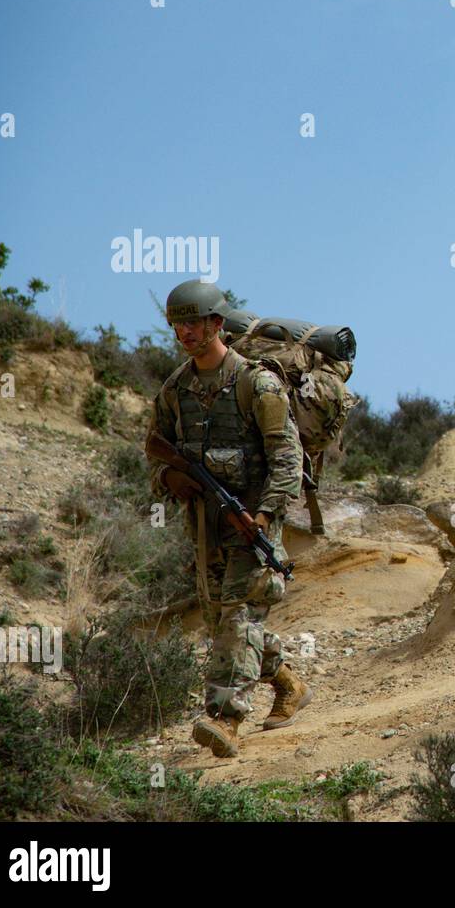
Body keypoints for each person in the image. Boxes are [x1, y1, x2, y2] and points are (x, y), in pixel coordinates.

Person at [146, 280, 310, 758]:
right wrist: (168, 479)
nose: (185, 332)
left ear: (217, 324)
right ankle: (288, 684)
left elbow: (287, 459)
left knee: (237, 618)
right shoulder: (175, 390)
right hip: (204, 529)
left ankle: (226, 718)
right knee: (224, 622)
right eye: (178, 323)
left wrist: (264, 514)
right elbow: (155, 451)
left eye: (194, 322)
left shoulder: (256, 384)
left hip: (252, 523)